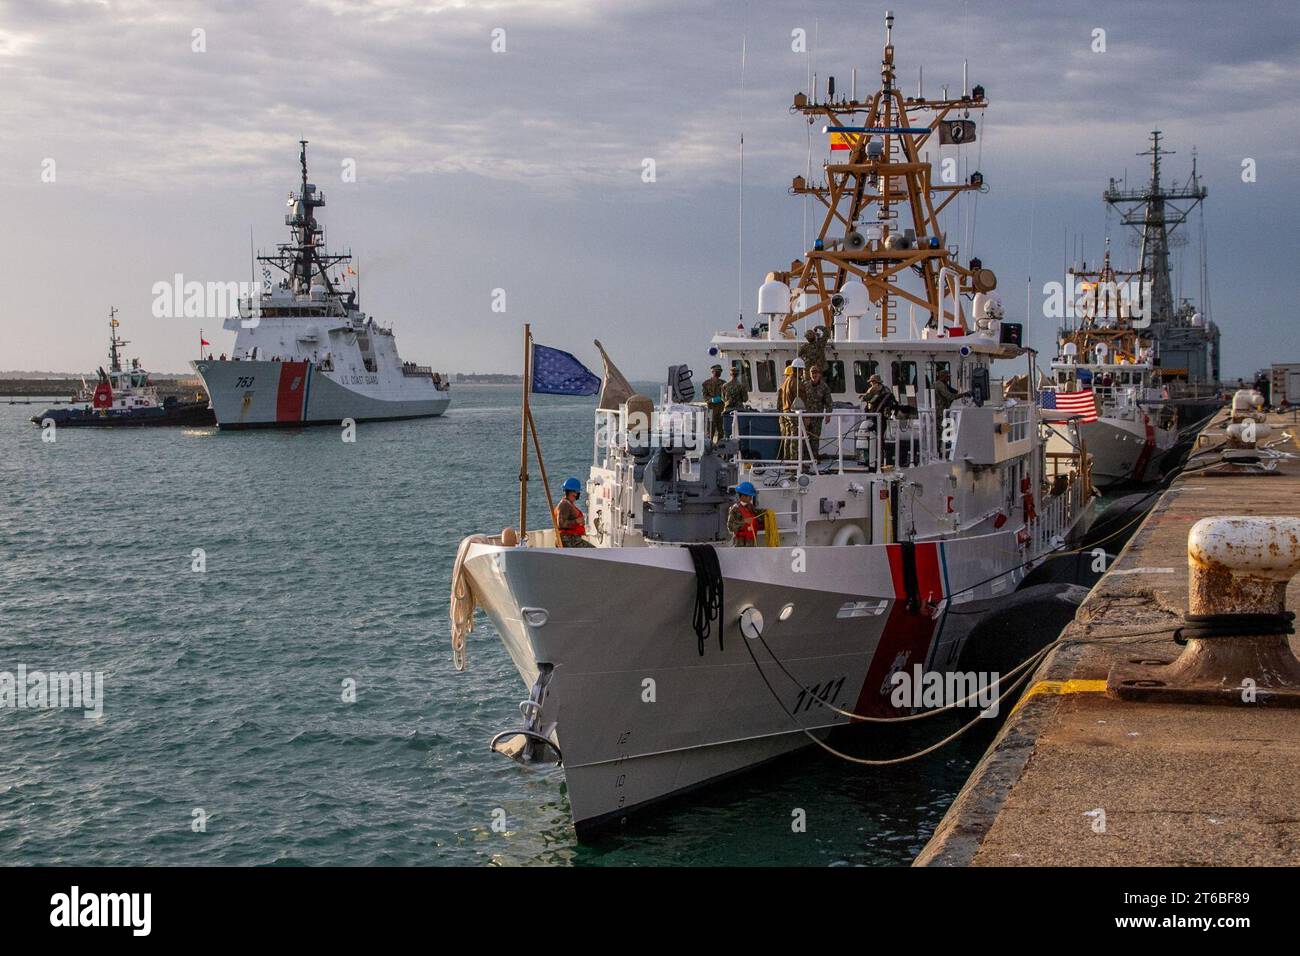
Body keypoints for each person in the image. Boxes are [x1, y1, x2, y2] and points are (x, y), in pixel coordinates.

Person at [778, 360, 808, 460]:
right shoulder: (796, 383)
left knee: (788, 437)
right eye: (802, 370)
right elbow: (800, 400)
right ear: (799, 370)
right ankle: (795, 463)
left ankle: (787, 461)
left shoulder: (786, 381)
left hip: (785, 412)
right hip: (793, 413)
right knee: (796, 439)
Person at [803, 363, 834, 459]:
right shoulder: (805, 386)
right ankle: (805, 459)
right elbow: (801, 401)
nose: (814, 375)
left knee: (815, 438)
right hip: (806, 417)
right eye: (812, 373)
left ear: (819, 374)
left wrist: (828, 415)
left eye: (816, 373)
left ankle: (814, 458)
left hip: (817, 417)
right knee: (805, 438)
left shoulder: (824, 387)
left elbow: (829, 402)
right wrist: (804, 415)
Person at [555, 477, 593, 548]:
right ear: (573, 492)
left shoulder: (568, 503)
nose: (577, 494)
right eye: (576, 492)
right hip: (569, 539)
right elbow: (561, 524)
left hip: (571, 538)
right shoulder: (564, 504)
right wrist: (576, 521)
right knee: (594, 552)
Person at [726, 481, 761, 547]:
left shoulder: (751, 507)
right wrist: (744, 522)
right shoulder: (734, 509)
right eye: (749, 496)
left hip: (750, 542)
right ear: (742, 496)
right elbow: (730, 526)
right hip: (739, 544)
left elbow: (756, 514)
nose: (751, 498)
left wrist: (766, 512)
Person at [701, 363, 725, 444]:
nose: (719, 373)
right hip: (711, 409)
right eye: (717, 371)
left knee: (721, 430)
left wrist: (721, 399)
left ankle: (719, 447)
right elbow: (705, 396)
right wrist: (711, 400)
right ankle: (709, 446)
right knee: (710, 429)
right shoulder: (706, 383)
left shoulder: (724, 383)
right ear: (713, 372)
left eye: (720, 371)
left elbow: (725, 396)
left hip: (721, 409)